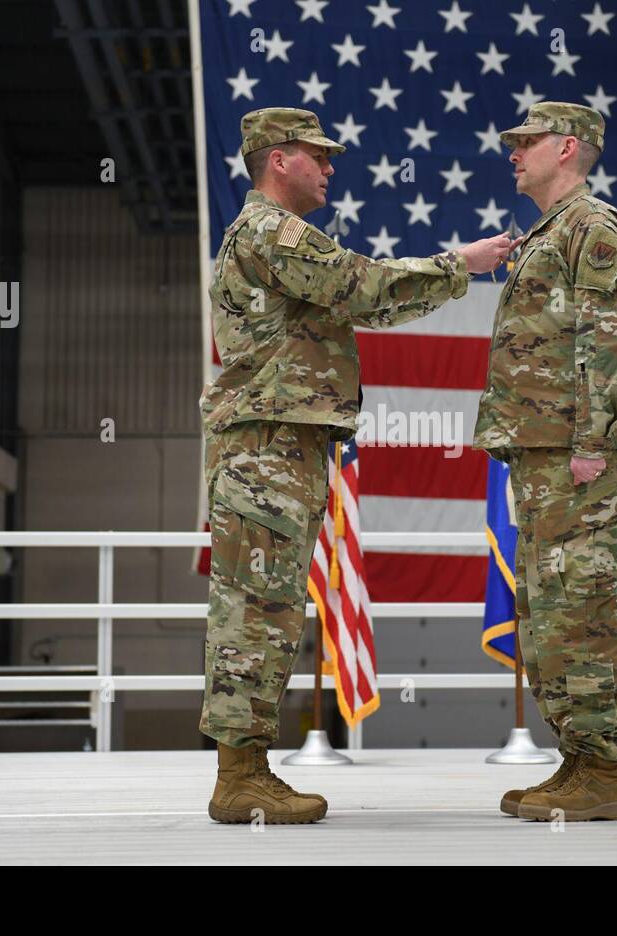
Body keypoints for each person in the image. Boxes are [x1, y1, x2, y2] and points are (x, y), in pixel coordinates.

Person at [200, 108, 514, 823]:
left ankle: (245, 769)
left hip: (284, 445)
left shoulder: (270, 236)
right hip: (268, 448)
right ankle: (238, 775)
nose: (331, 168)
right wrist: (458, 265)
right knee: (255, 613)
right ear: (279, 160)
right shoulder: (271, 232)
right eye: (319, 155)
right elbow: (363, 289)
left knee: (271, 611)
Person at [473, 103, 617, 821]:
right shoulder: (551, 230)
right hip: (542, 453)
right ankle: (579, 756)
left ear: (567, 147)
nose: (513, 153)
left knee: (579, 607)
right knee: (548, 610)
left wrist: (591, 442)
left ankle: (606, 771)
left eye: (526, 143)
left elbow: (608, 341)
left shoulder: (593, 228)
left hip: (576, 456)